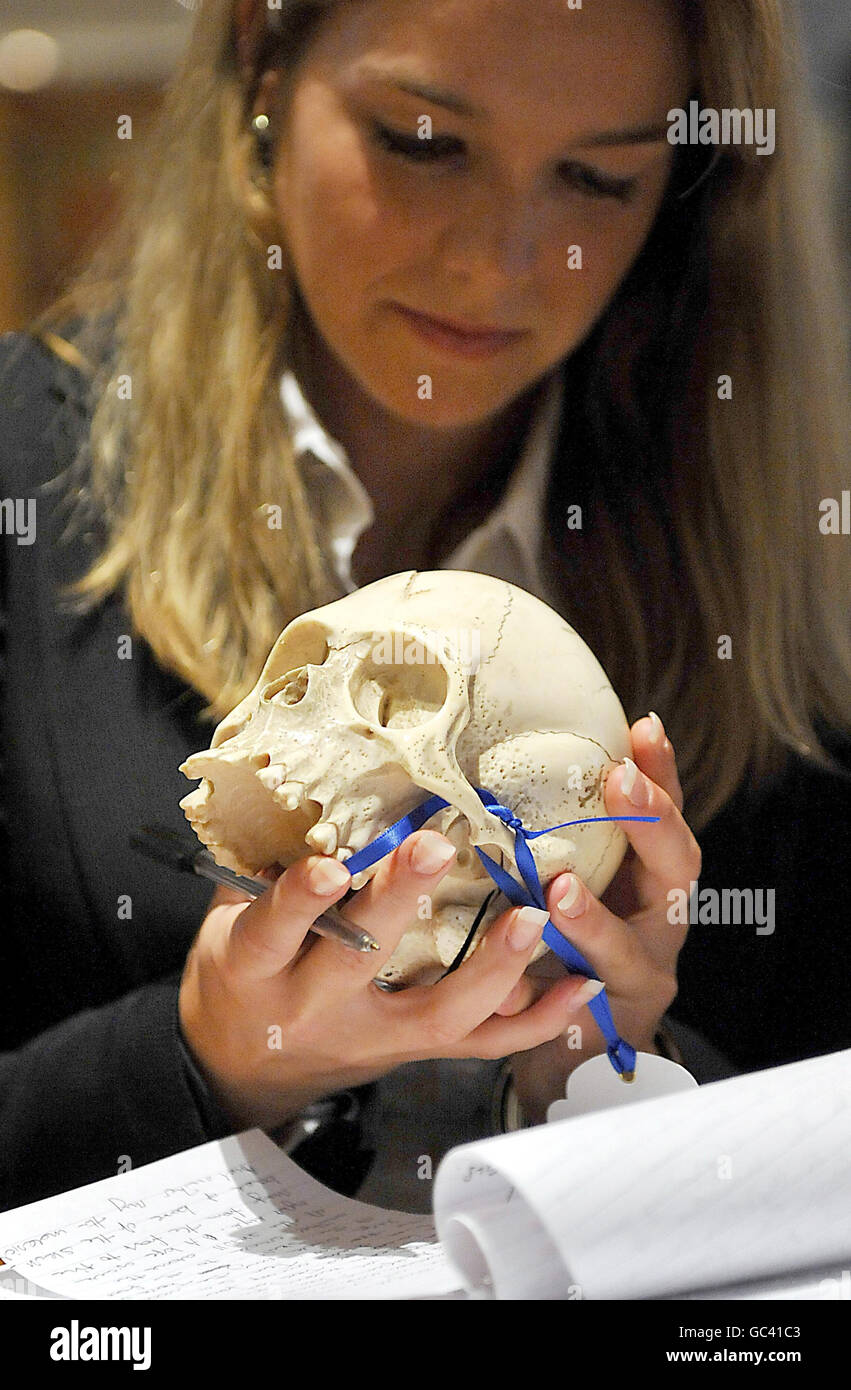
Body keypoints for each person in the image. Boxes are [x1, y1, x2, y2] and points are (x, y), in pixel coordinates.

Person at [1, 0, 849, 1218]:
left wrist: (609, 1070)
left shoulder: (788, 584)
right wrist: (202, 1062)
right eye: (419, 140)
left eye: (597, 178)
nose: (496, 257)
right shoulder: (19, 475)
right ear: (262, 60)